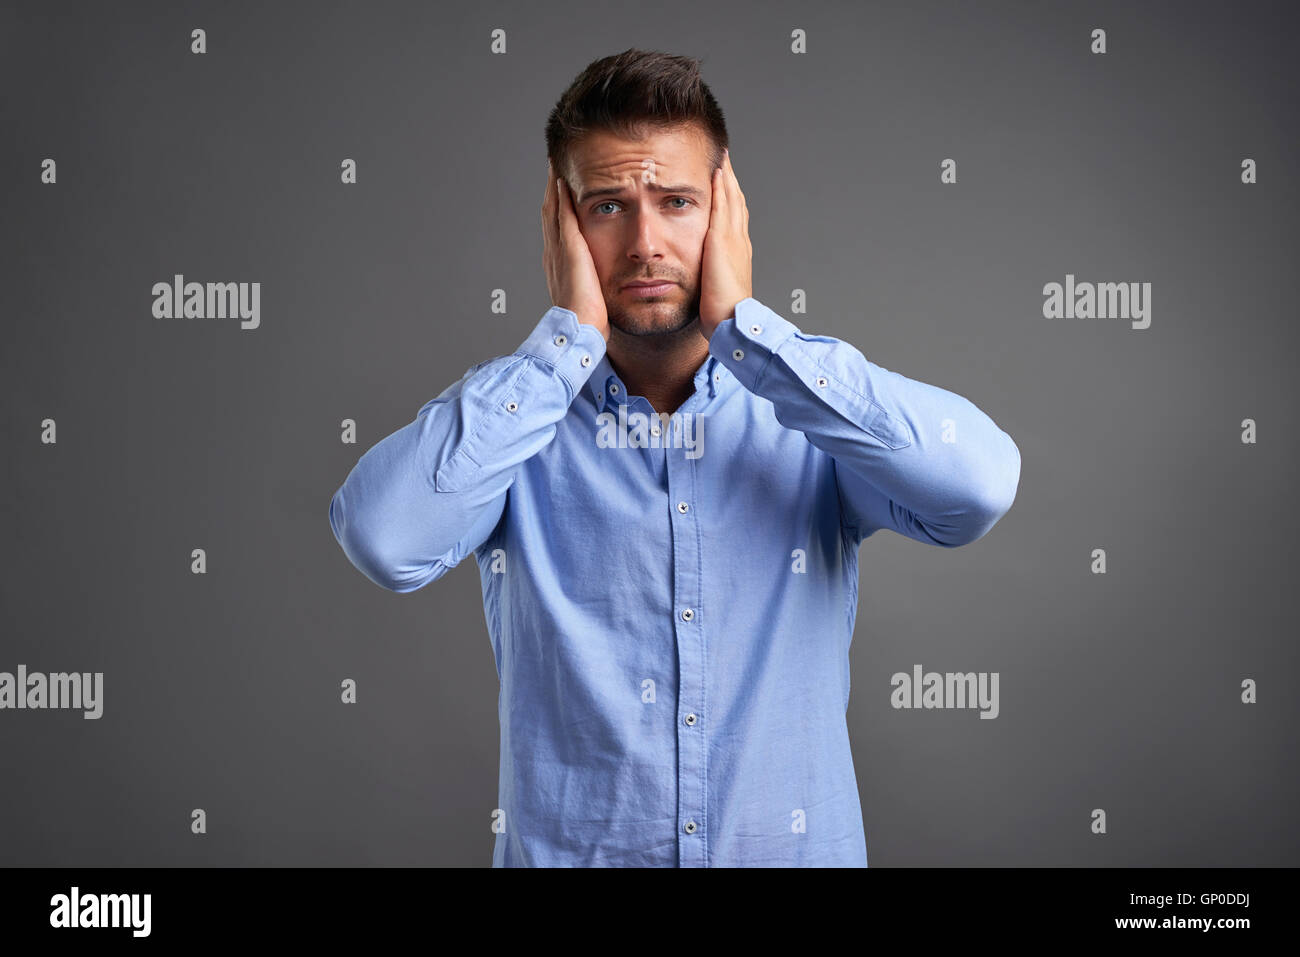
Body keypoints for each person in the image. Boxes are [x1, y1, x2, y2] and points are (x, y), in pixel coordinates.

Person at [328, 48, 1022, 867]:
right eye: (610, 206)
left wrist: (751, 336)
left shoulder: (814, 415)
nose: (646, 242)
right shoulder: (511, 431)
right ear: (561, 222)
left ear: (727, 211)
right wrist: (563, 351)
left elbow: (979, 485)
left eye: (677, 201)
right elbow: (380, 535)